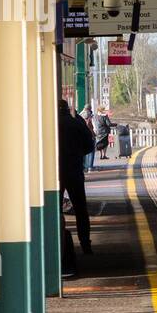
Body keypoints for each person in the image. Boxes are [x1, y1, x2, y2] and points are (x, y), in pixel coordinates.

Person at [58, 99, 95, 256]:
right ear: (67, 108)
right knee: (80, 208)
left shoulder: (47, 120)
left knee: (54, 208)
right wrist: (77, 154)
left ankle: (56, 244)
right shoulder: (76, 120)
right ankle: (85, 243)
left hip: (54, 172)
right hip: (74, 168)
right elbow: (89, 143)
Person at [82, 108, 95, 172]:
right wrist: (93, 136)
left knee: (85, 152)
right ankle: (89, 166)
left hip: (84, 137)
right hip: (90, 137)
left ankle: (85, 166)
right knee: (91, 152)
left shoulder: (81, 121)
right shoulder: (88, 121)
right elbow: (91, 130)